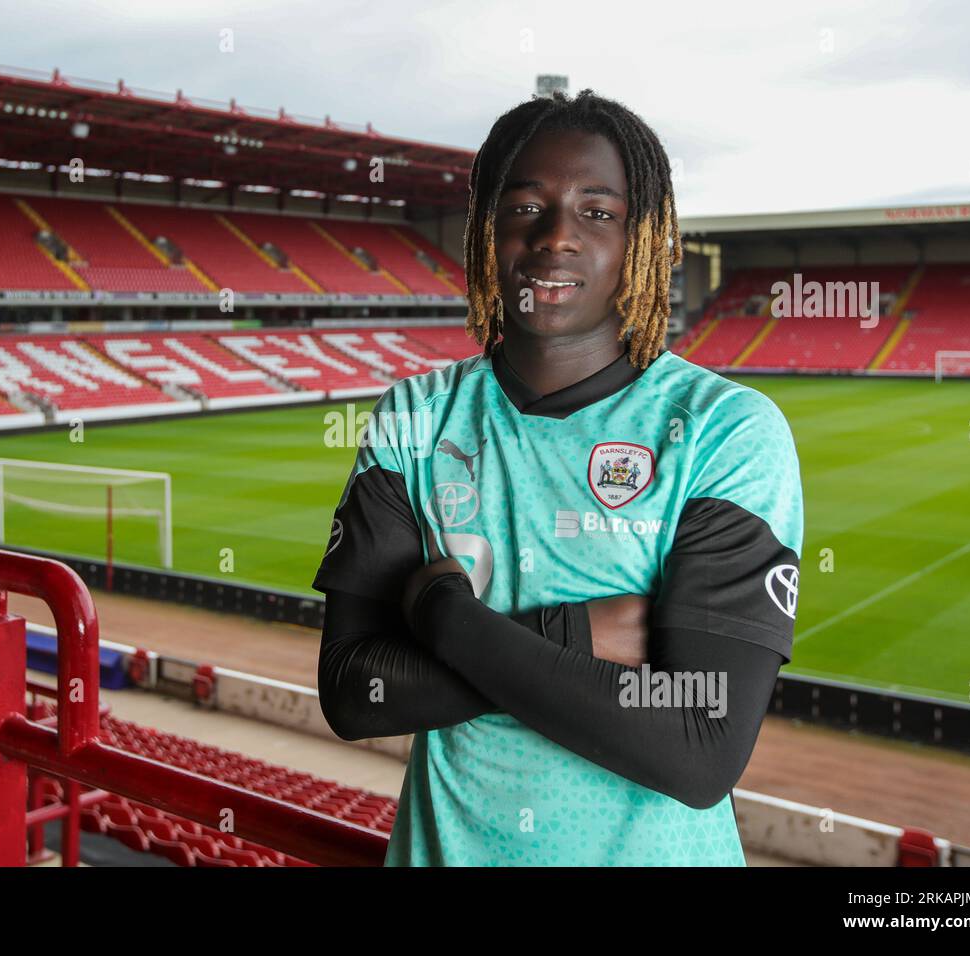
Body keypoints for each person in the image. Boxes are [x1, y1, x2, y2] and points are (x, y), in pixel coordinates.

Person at [312, 89, 803, 866]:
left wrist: (444, 615)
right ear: (484, 234)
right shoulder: (414, 416)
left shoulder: (728, 430)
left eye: (598, 212)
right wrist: (575, 635)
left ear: (642, 239)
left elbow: (699, 750)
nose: (556, 239)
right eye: (524, 209)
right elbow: (353, 692)